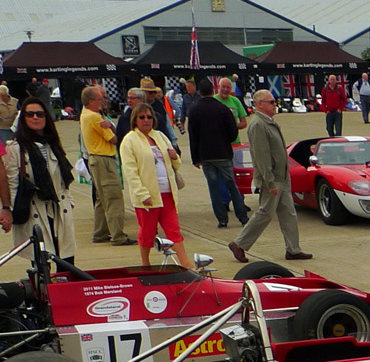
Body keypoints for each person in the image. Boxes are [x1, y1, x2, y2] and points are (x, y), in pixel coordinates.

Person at [229, 90, 311, 263]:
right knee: (265, 213)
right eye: (272, 102)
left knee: (288, 213)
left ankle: (293, 249)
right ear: (260, 104)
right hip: (272, 178)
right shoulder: (258, 125)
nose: (275, 105)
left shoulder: (269, 122)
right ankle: (239, 244)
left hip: (282, 176)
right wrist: (269, 182)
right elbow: (262, 157)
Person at [1, 96, 77, 260]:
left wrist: (69, 202)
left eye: (40, 114)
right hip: (34, 209)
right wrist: (11, 210)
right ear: (23, 119)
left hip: (59, 208)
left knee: (67, 261)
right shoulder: (15, 148)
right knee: (42, 262)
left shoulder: (53, 144)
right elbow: (12, 183)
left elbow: (64, 179)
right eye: (30, 114)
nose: (35, 117)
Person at [119, 102, 192, 268]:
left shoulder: (160, 136)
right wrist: (142, 194)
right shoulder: (129, 141)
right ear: (135, 120)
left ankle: (186, 263)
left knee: (174, 230)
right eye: (142, 117)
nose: (146, 120)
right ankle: (145, 263)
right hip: (148, 196)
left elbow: (176, 165)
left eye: (149, 117)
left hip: (167, 193)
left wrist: (174, 157)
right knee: (147, 232)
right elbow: (130, 172)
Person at [188, 75, 249, 230]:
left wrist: (195, 157)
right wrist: (226, 142)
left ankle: (222, 219)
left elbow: (193, 136)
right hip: (223, 153)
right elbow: (233, 131)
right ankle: (242, 216)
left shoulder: (194, 110)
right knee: (232, 185)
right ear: (213, 90)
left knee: (213, 187)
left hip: (206, 155)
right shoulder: (222, 108)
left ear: (199, 92)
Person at [79, 83, 133, 245]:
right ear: (91, 101)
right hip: (104, 159)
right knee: (113, 197)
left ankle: (100, 232)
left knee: (102, 198)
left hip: (95, 159)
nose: (103, 100)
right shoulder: (95, 117)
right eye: (100, 98)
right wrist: (111, 126)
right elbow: (113, 139)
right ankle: (118, 235)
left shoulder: (85, 114)